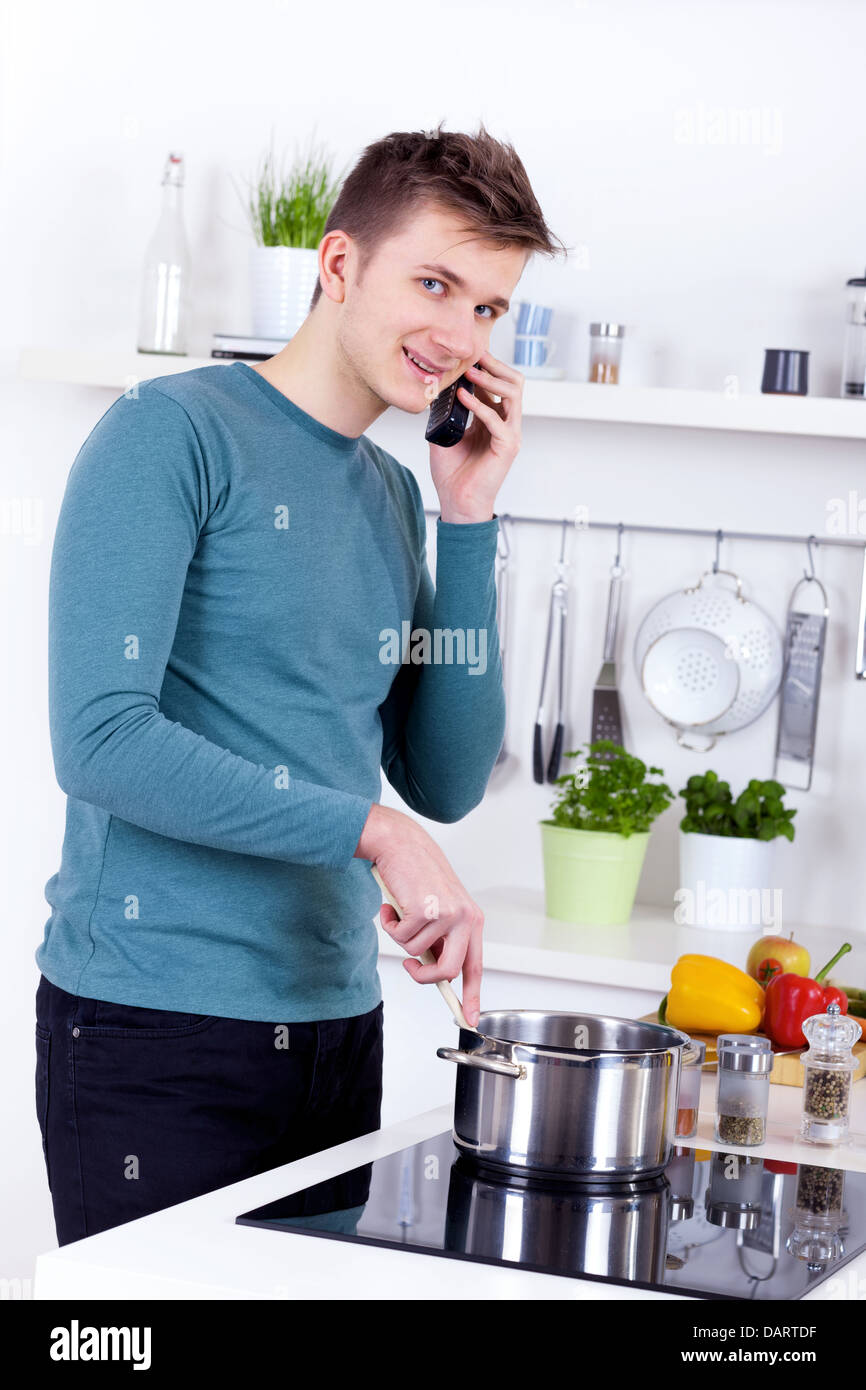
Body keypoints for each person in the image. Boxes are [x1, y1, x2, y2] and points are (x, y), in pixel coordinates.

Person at [34, 122, 564, 1245]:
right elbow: (102, 739)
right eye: (434, 281)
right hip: (155, 1031)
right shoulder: (167, 434)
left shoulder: (385, 490)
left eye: (485, 307)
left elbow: (448, 776)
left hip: (335, 1028)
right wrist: (373, 832)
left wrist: (463, 521)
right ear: (337, 265)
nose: (456, 332)